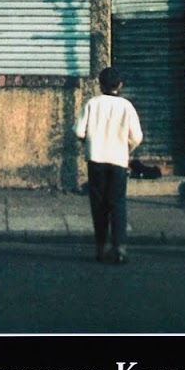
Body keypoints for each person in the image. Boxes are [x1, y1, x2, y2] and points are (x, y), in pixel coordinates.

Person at [74, 66, 144, 264]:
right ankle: (119, 248)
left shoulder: (92, 104)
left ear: (100, 84)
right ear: (120, 85)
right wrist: (126, 148)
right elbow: (137, 136)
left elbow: (79, 131)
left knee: (98, 204)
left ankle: (100, 247)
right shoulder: (126, 106)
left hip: (96, 160)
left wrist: (89, 143)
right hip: (118, 161)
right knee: (117, 203)